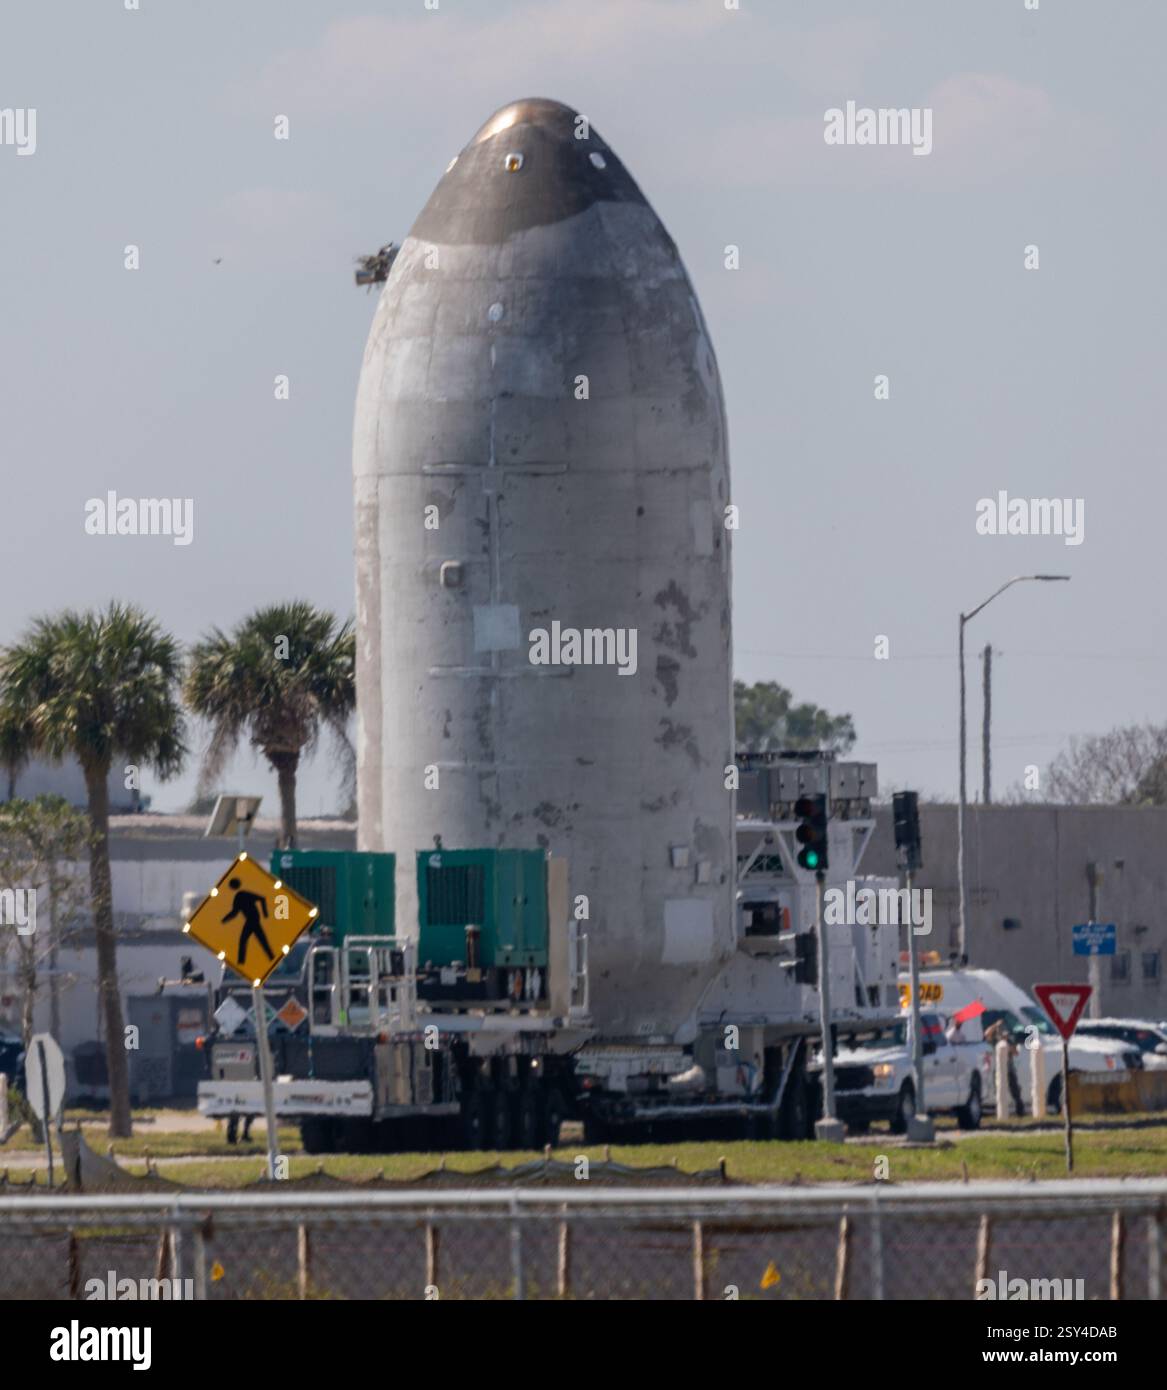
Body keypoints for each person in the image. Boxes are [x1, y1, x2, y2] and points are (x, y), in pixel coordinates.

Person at [985, 1018, 1025, 1116]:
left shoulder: (1009, 1040)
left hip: (1009, 1068)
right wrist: (995, 1025)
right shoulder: (994, 1040)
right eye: (999, 1029)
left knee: (1015, 1089)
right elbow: (986, 1034)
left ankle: (1020, 1110)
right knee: (998, 1089)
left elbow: (1016, 1052)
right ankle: (999, 1109)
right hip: (998, 1069)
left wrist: (1008, 1044)